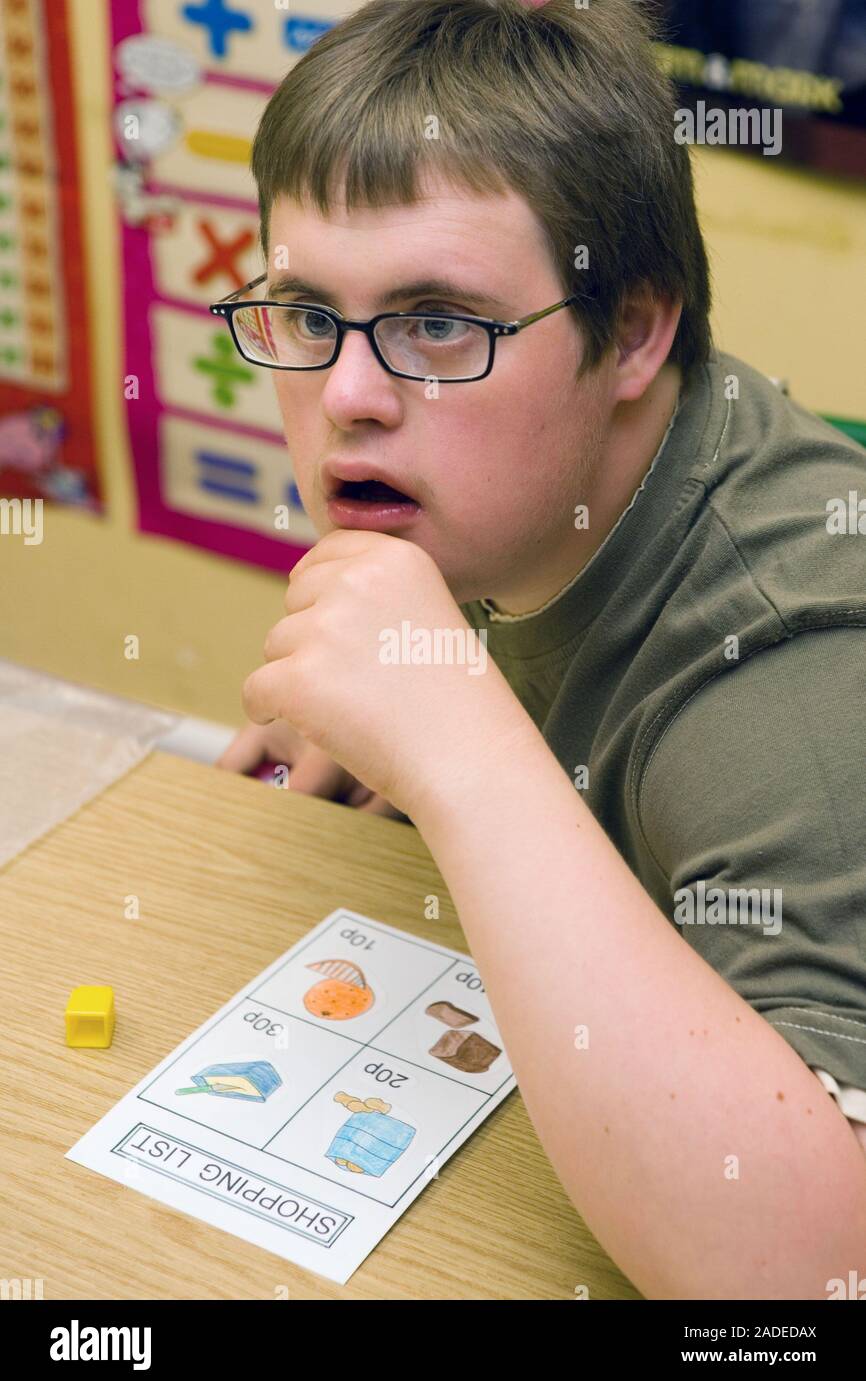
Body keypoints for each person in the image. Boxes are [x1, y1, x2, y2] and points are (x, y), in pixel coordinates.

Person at [216, 0, 866, 1297]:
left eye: (438, 321)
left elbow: (811, 1270)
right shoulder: (504, 496)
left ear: (631, 333)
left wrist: (460, 741)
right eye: (303, 312)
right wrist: (403, 694)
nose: (345, 395)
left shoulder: (789, 657)